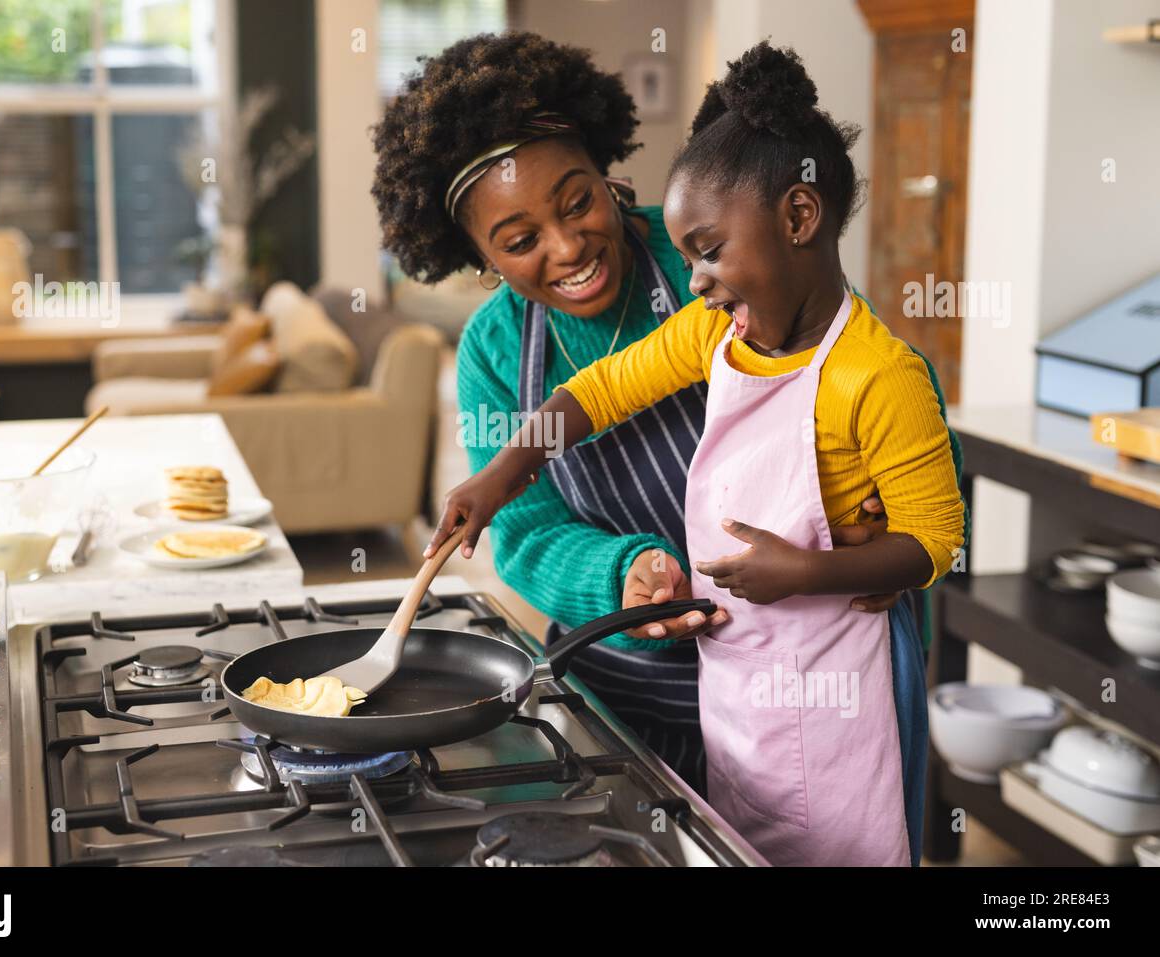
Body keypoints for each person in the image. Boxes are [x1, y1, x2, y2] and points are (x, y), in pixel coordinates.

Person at [374, 34, 958, 861]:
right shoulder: (501, 350)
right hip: (629, 686)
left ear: (608, 175)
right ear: (480, 258)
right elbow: (533, 525)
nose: (568, 247)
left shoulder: (724, 253)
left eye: (578, 203)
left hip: (822, 670)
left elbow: (899, 418)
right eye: (519, 239)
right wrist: (612, 562)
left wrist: (862, 534)